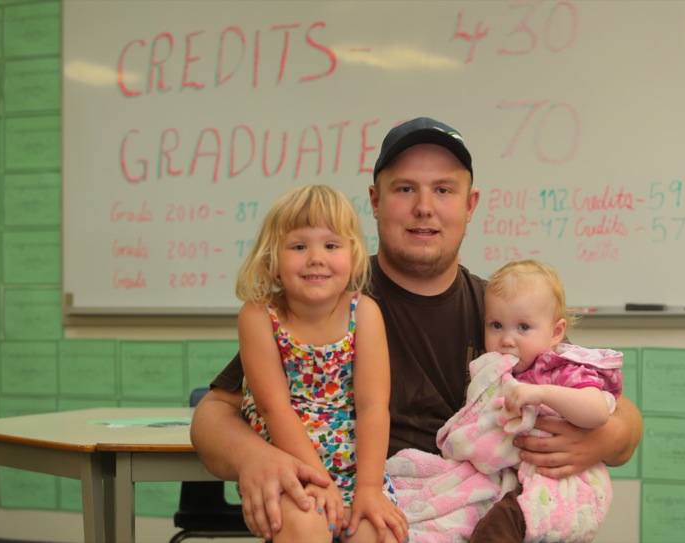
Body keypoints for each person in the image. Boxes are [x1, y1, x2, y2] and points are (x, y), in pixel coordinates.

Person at [190, 117, 644, 542]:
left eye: (444, 190)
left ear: (470, 205)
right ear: (375, 201)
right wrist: (255, 457)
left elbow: (614, 407)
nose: (424, 208)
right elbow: (213, 415)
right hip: (361, 511)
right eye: (405, 189)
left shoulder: (502, 313)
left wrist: (608, 437)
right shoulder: (324, 299)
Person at [387, 259, 623, 542]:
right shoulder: (494, 371)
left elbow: (597, 412)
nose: (507, 340)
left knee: (499, 528)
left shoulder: (562, 368)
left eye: (523, 327)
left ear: (556, 332)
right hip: (503, 474)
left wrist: (542, 394)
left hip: (551, 480)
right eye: (496, 325)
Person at [234, 184, 408, 543]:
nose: (316, 257)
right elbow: (273, 407)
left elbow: (373, 406)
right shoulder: (258, 316)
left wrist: (369, 489)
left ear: (353, 256)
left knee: (377, 532)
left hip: (355, 464)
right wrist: (319, 481)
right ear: (272, 259)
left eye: (331, 245)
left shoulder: (365, 313)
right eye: (299, 246)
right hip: (290, 464)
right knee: (304, 525)